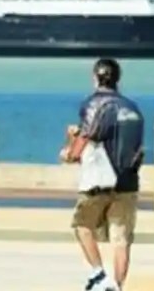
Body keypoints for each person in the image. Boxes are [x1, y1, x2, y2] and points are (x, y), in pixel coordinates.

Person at [59, 58, 144, 291]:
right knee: (121, 240)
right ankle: (116, 286)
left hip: (100, 181)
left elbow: (88, 135)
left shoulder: (95, 104)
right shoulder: (133, 108)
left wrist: (71, 149)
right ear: (117, 79)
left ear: (96, 77)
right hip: (128, 182)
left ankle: (99, 276)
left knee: (82, 226)